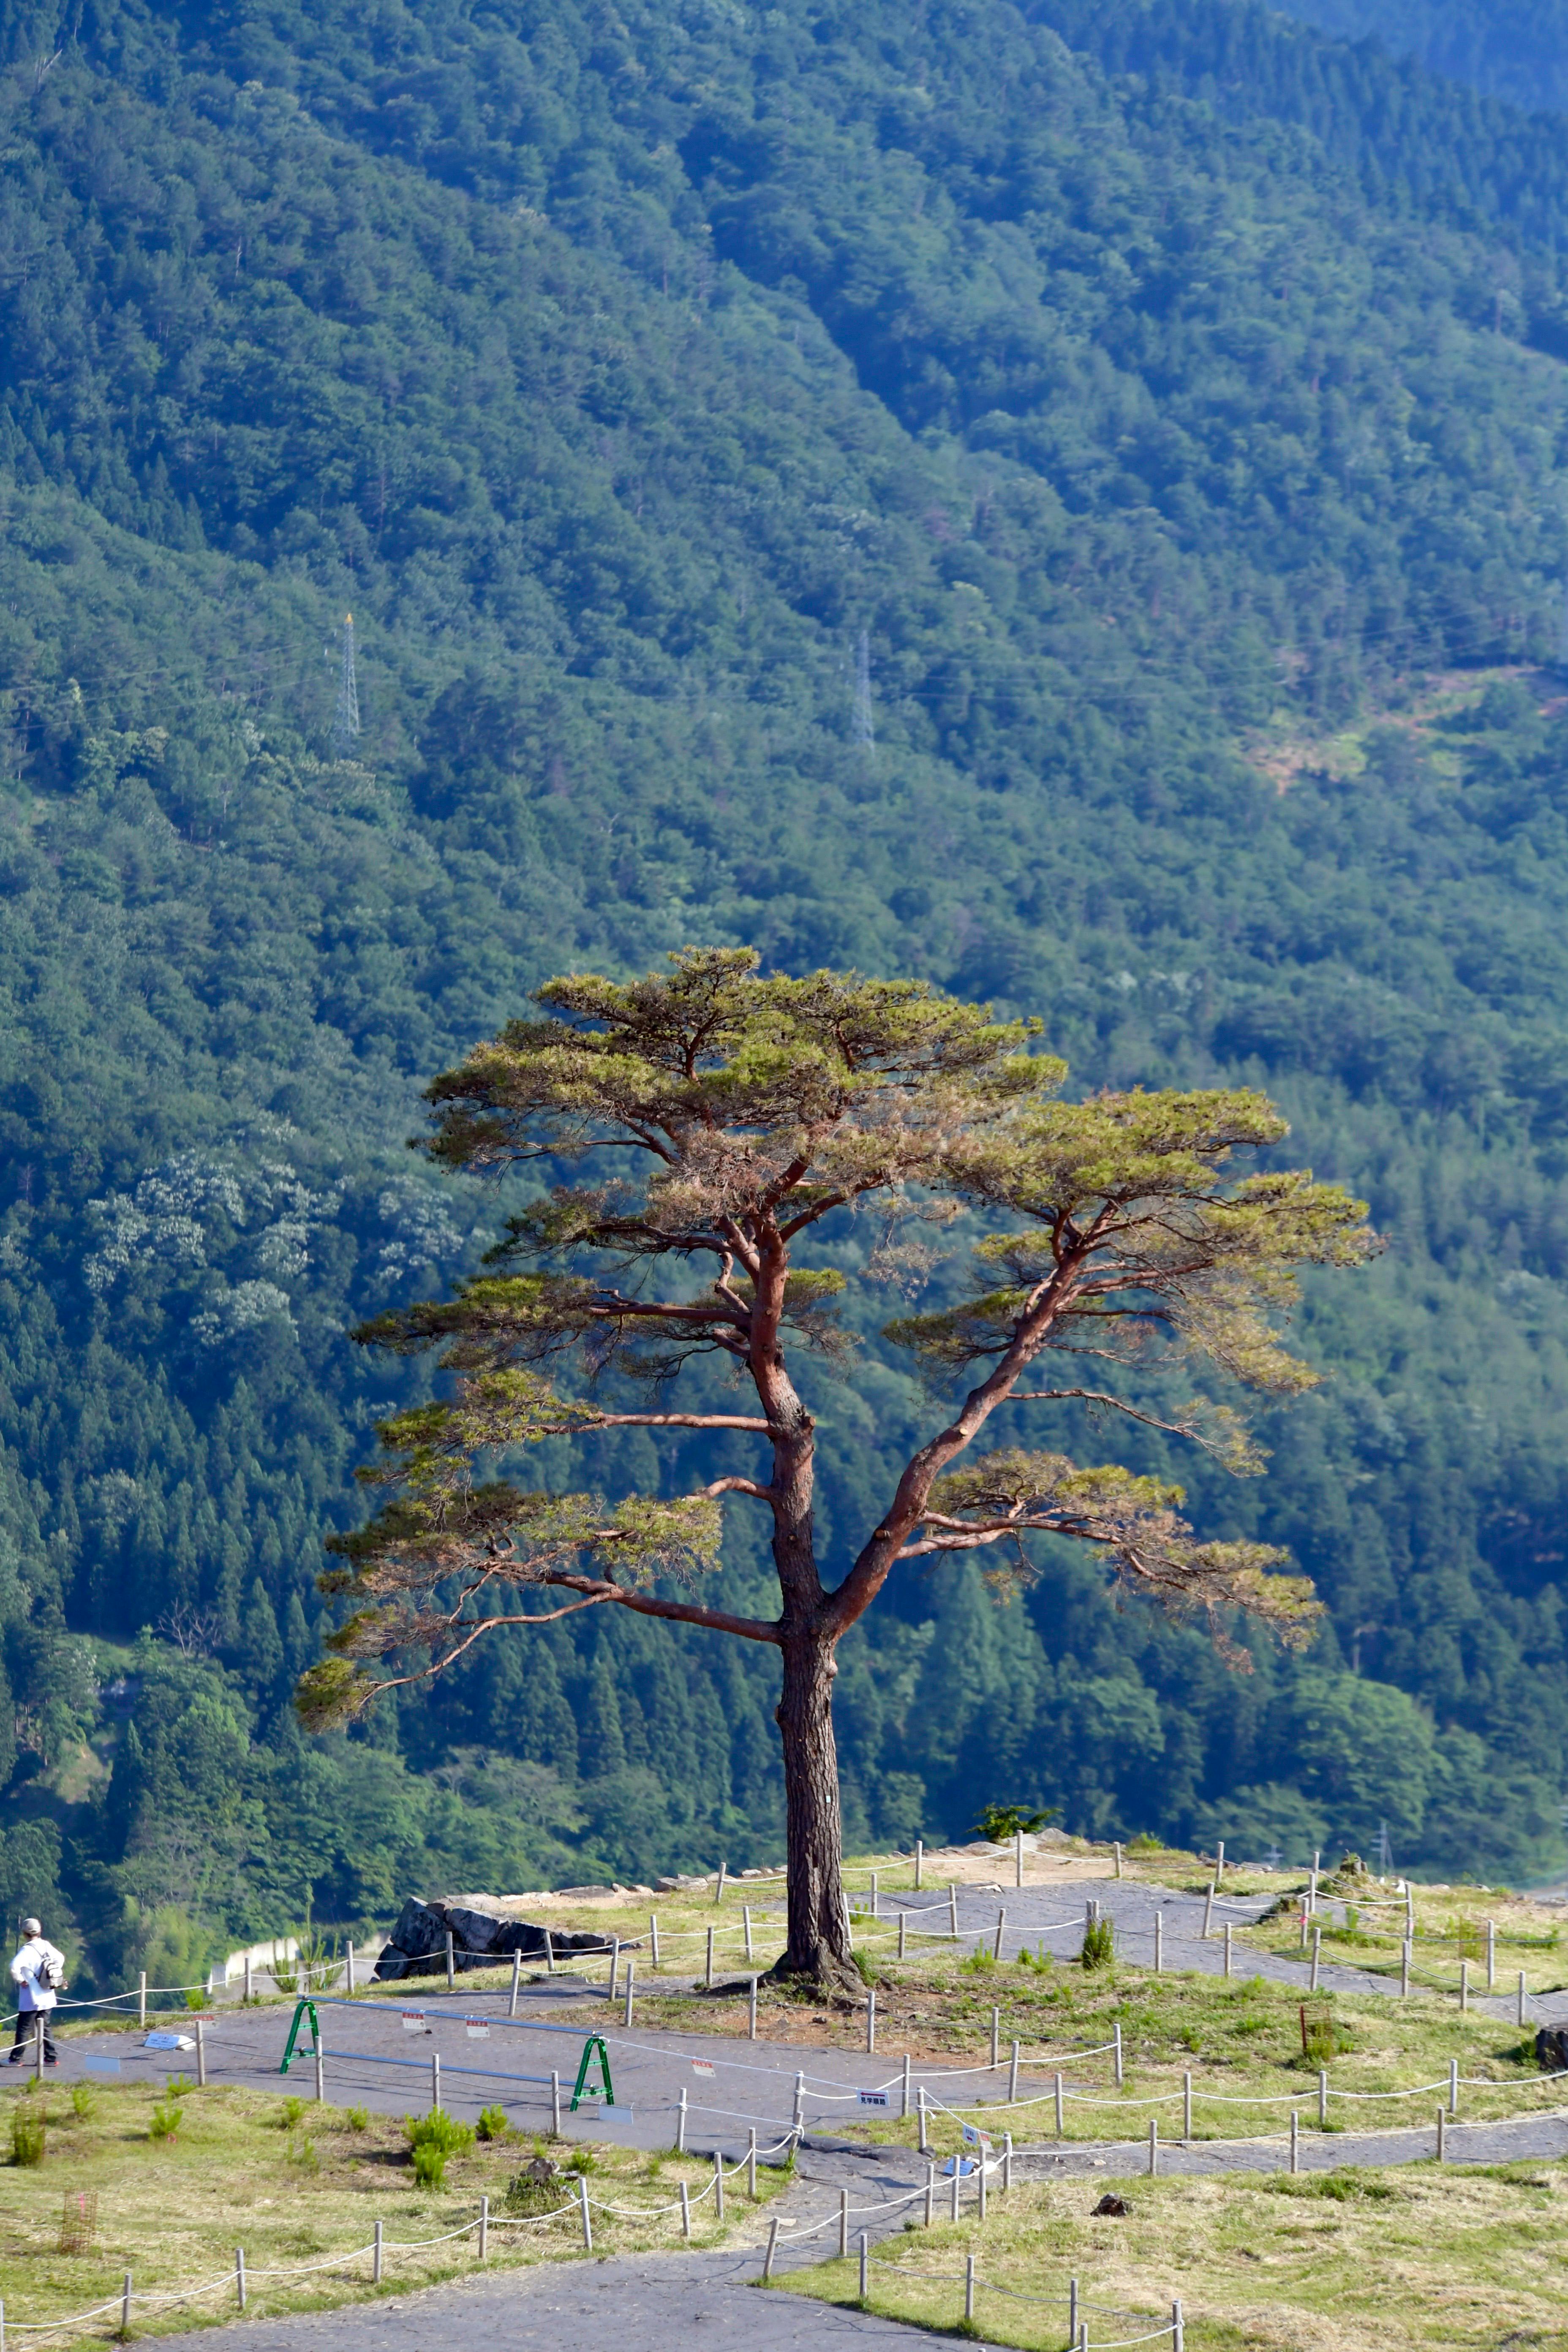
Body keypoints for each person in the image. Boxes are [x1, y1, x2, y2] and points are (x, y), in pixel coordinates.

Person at [9, 1917, 65, 2066]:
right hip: (47, 1993)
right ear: (40, 1931)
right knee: (45, 2027)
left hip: (31, 1995)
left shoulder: (27, 1950)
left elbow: (14, 1966)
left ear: (25, 1933)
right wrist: (50, 1974)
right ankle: (51, 2058)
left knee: (24, 2028)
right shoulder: (46, 1945)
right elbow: (60, 1958)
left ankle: (15, 2059)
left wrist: (21, 1980)